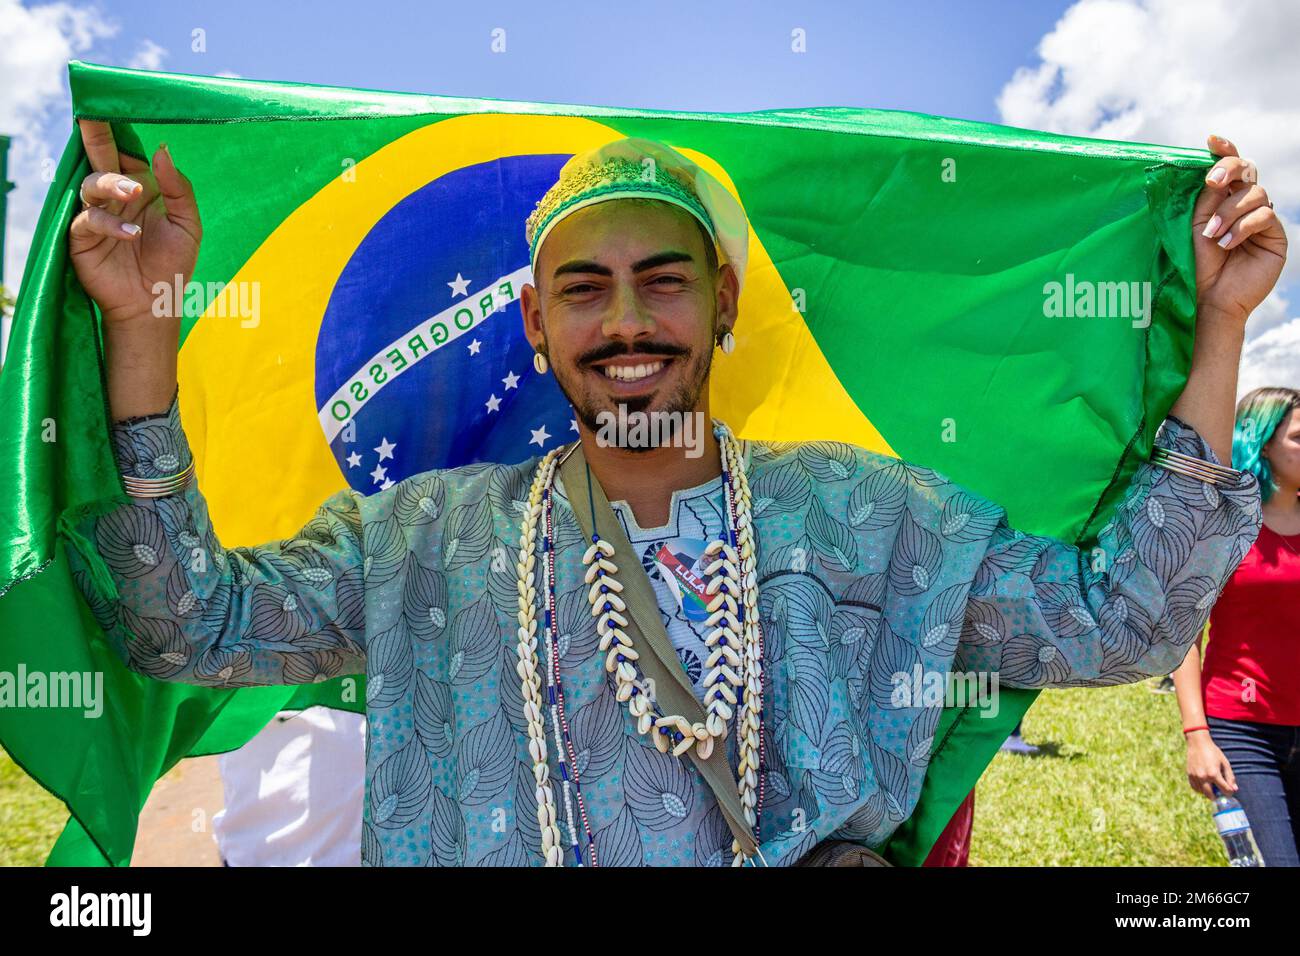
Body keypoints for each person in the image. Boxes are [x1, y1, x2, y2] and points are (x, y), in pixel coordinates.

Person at [66, 118, 1283, 867]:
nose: (628, 319)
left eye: (663, 278)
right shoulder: (424, 541)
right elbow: (186, 623)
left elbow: (1116, 621)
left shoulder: (867, 518)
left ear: (724, 303)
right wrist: (139, 325)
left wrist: (1221, 321)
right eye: (583, 289)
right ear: (537, 325)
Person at [1172, 387, 1300, 866]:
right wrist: (1197, 735)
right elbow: (1184, 634)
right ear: (1263, 442)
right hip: (1243, 729)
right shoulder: (1224, 525)